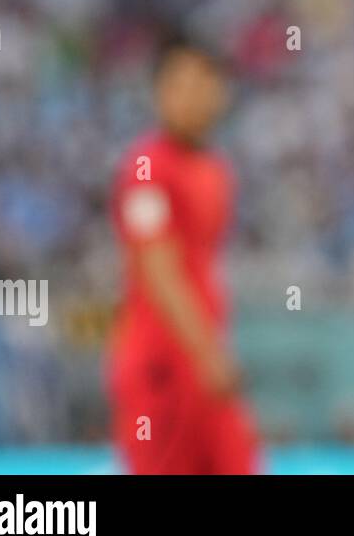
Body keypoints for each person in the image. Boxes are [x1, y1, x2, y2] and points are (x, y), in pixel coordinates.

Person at [104, 31, 261, 474]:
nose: (191, 97)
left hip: (203, 365)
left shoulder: (216, 168)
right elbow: (159, 270)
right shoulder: (146, 168)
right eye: (179, 85)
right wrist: (208, 353)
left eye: (202, 84)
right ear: (159, 93)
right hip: (162, 367)